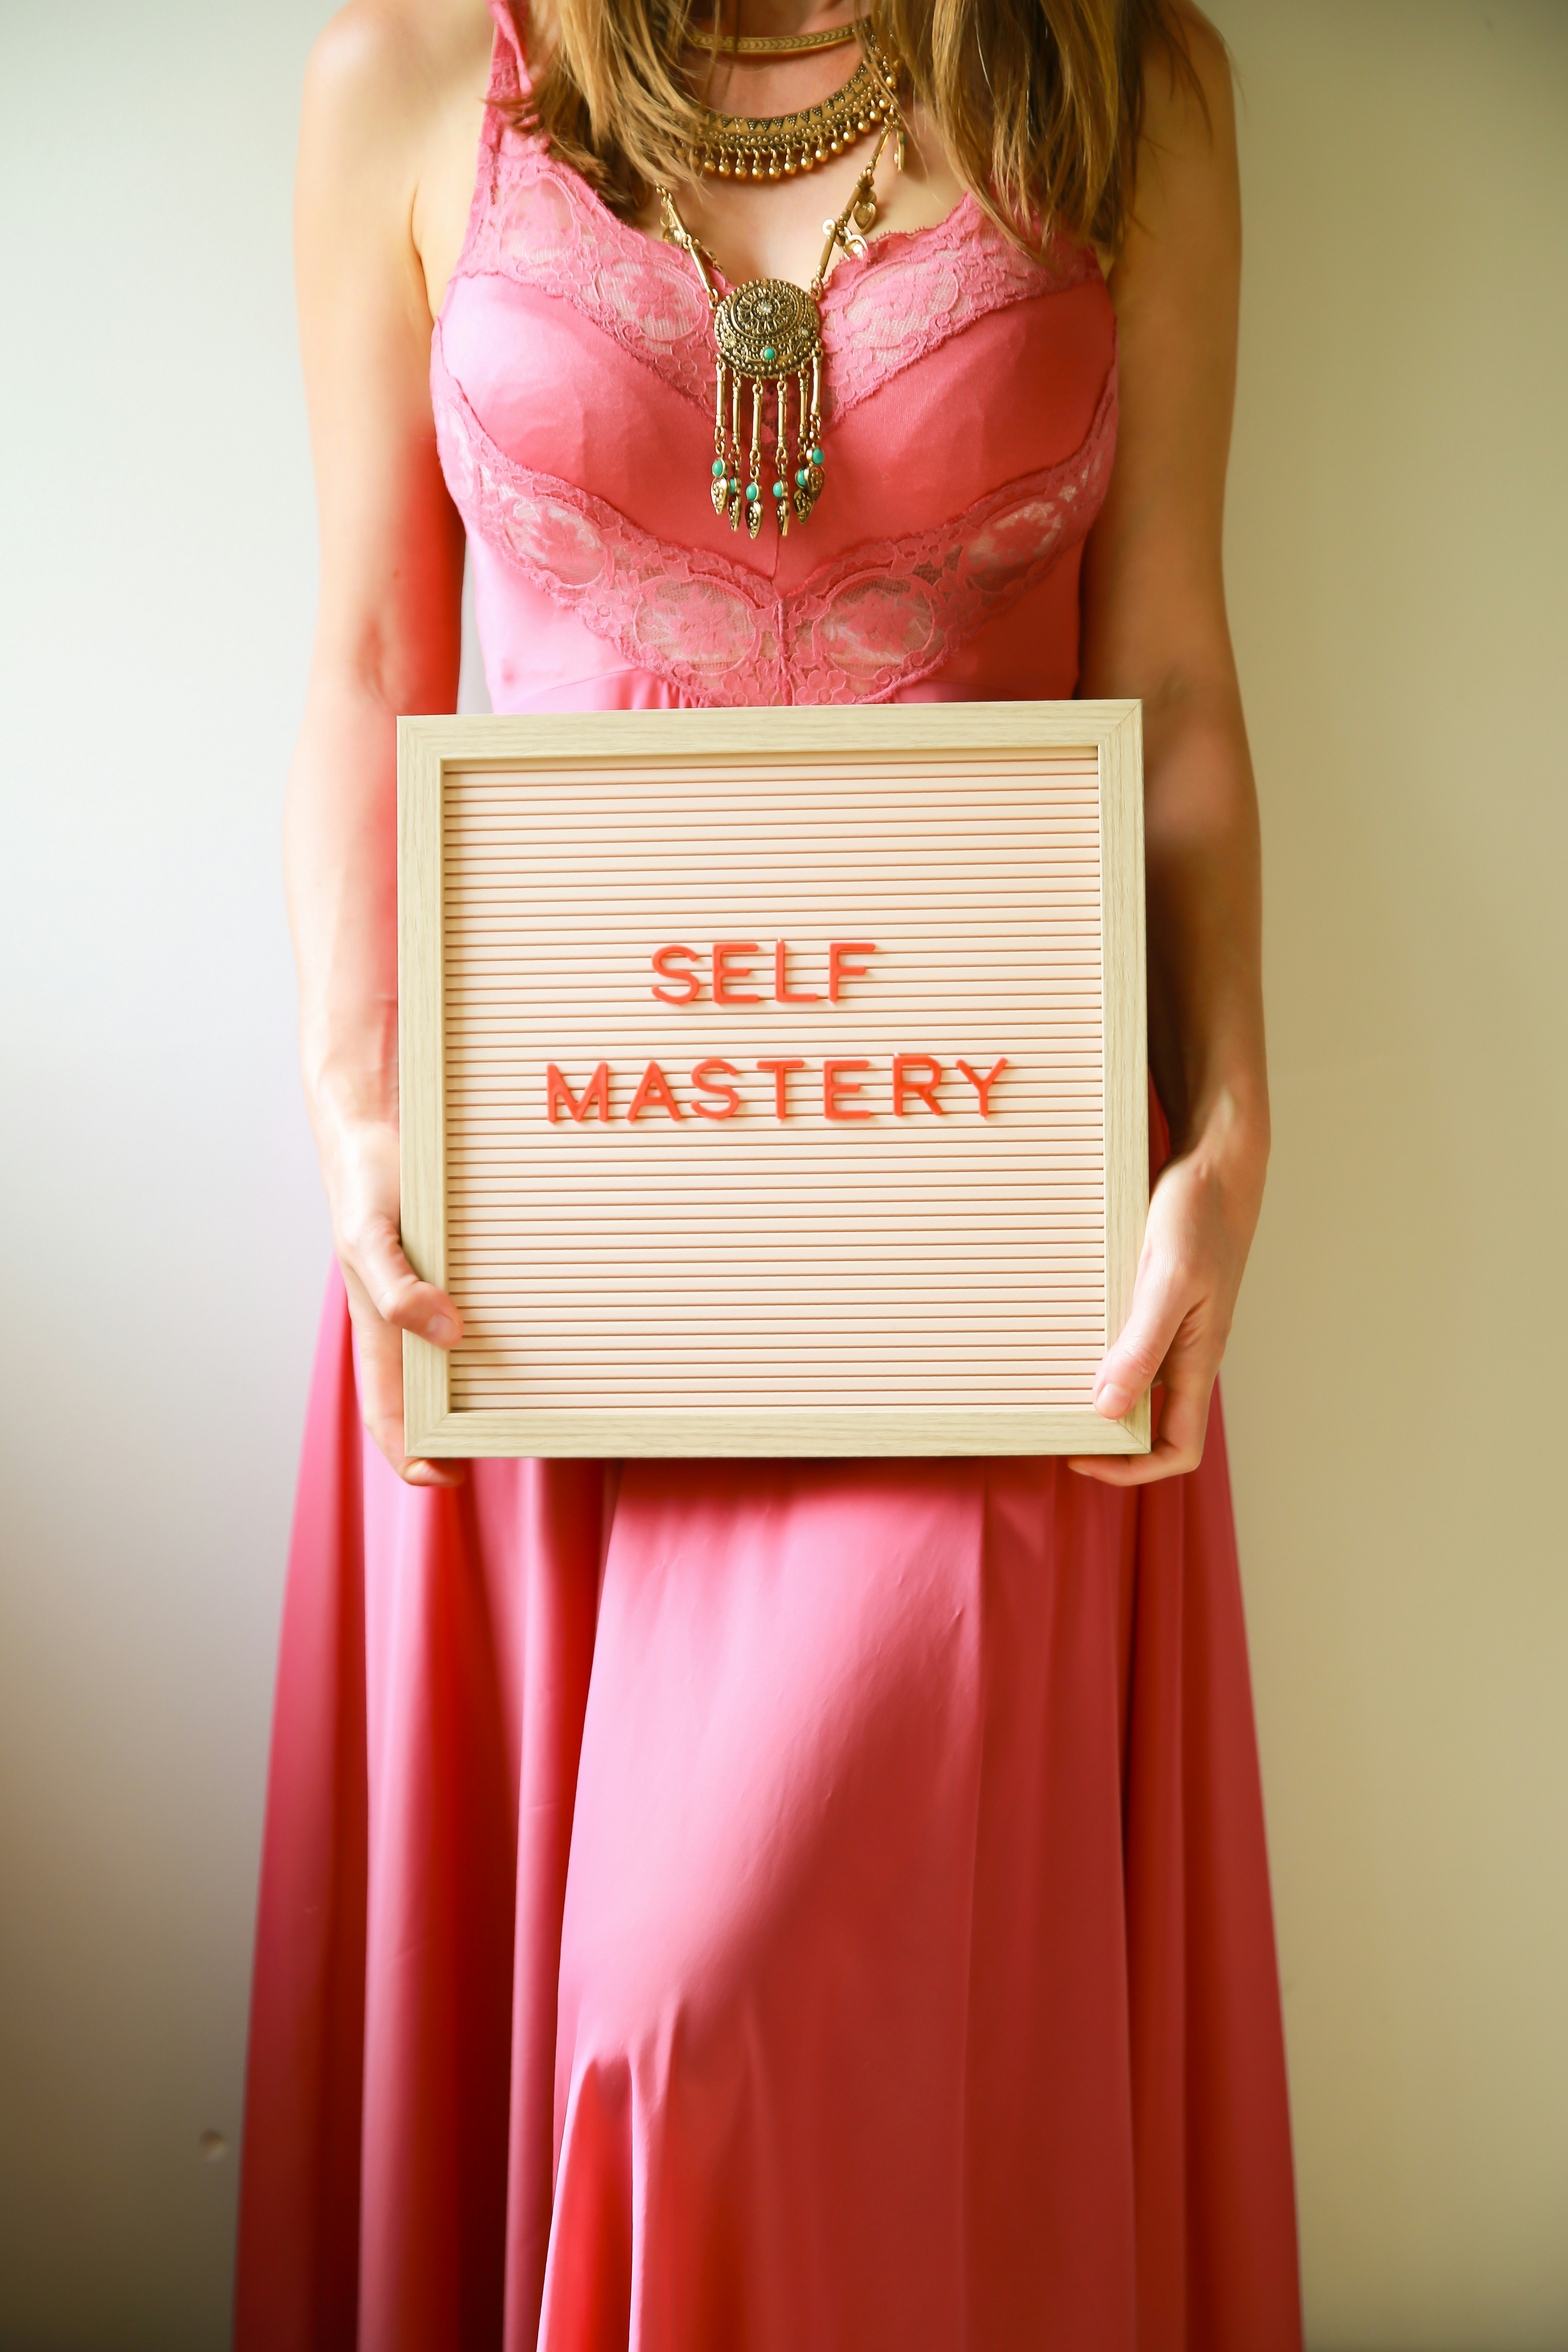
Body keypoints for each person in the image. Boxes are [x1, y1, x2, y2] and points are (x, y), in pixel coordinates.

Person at [237, 0, 1300, 2343]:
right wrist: (355, 1104)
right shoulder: (406, 73)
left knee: (695, 2002)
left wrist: (1226, 1125)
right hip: (537, 1219)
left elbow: (1175, 674)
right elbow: (362, 654)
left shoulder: (1129, 79)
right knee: (638, 2036)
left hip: (976, 1236)